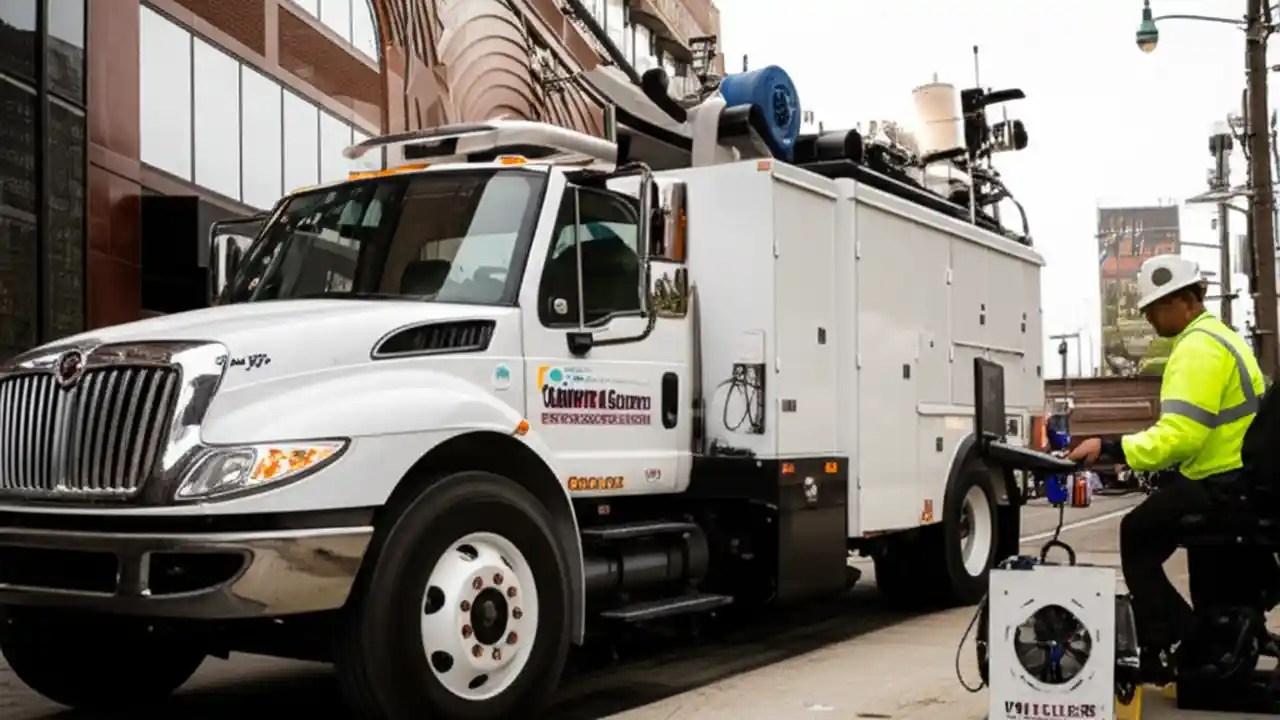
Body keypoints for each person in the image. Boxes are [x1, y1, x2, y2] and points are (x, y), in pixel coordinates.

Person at [1067, 254, 1266, 683]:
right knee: (1165, 517)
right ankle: (1211, 634)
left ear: (1186, 302)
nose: (1150, 319)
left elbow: (1180, 435)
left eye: (1155, 308)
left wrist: (1111, 446)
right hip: (1243, 476)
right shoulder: (1224, 339)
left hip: (1224, 482)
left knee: (1137, 532)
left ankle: (1185, 639)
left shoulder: (1196, 349)